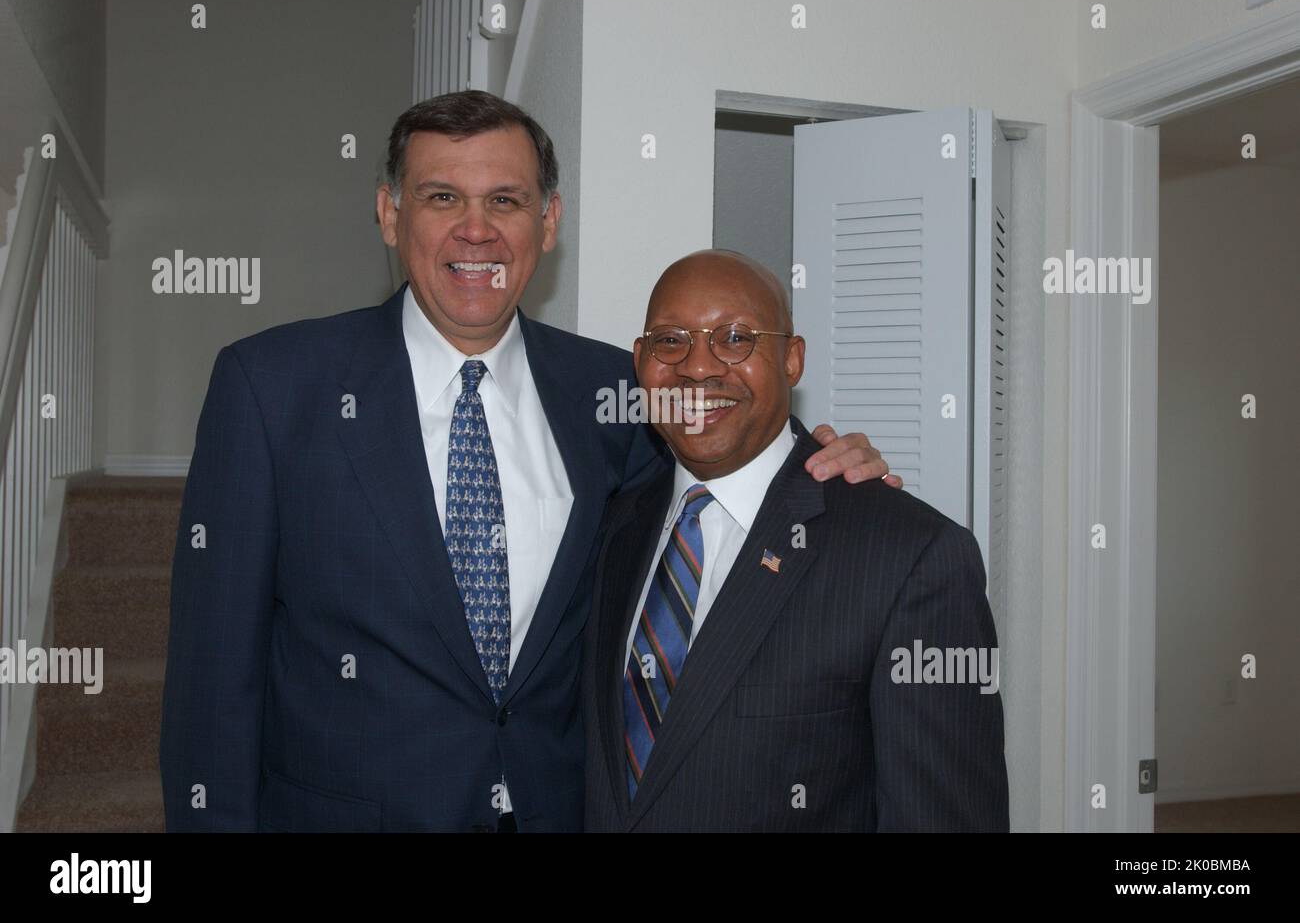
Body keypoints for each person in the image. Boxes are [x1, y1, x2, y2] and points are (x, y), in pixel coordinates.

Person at [159, 91, 893, 832]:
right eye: (441, 196)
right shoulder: (273, 389)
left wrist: (823, 468)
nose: (475, 231)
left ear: (547, 223)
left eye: (504, 200)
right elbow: (213, 683)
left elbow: (731, 446)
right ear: (389, 213)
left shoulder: (616, 394)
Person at [583, 249, 1009, 831]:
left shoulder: (912, 558)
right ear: (640, 361)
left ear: (792, 358)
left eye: (734, 338)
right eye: (670, 340)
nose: (698, 367)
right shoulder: (613, 525)